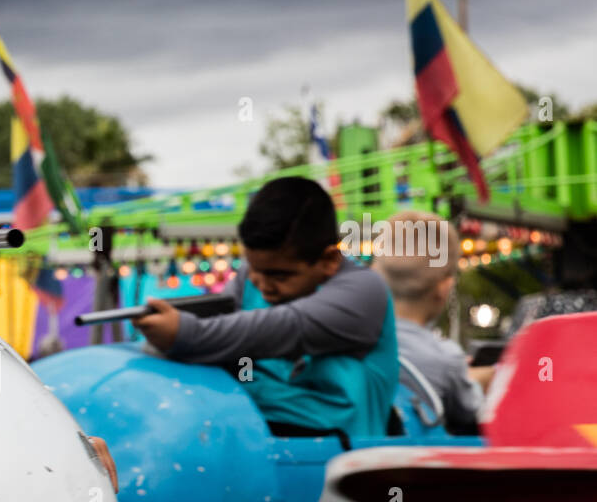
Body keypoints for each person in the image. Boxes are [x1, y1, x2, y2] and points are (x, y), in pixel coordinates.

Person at [136, 177, 399, 443]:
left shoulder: (364, 291)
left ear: (329, 260)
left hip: (340, 462)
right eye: (253, 269)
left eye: (279, 276)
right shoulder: (253, 277)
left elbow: (286, 327)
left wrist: (184, 333)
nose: (260, 285)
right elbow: (222, 332)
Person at [371, 210, 485, 434]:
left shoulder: (344, 340)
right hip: (412, 465)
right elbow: (473, 411)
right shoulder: (446, 358)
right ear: (444, 288)